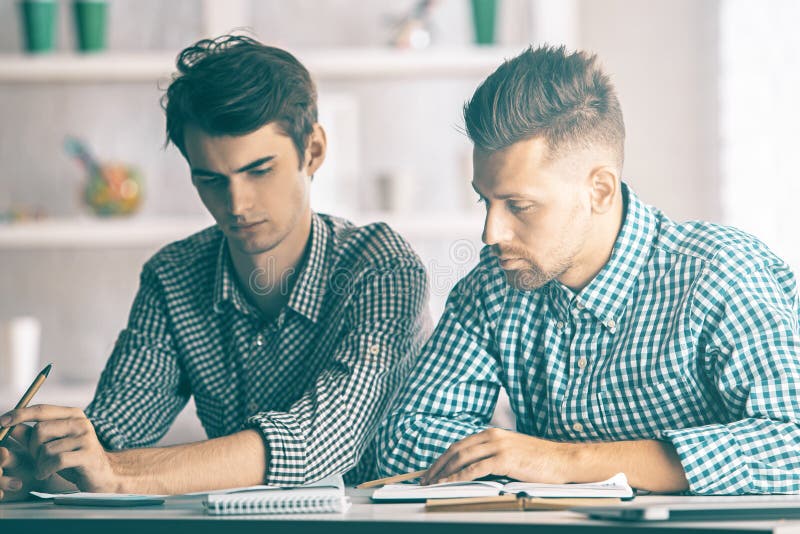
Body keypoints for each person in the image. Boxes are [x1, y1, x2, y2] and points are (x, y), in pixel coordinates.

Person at [0, 35, 429, 500]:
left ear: (314, 152)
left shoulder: (383, 267)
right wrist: (41, 462)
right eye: (210, 179)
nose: (237, 204)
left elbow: (321, 443)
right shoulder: (173, 275)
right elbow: (113, 432)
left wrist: (116, 471)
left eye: (259, 170)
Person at [376, 45, 800, 495]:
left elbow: (791, 445)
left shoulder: (722, 274)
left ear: (599, 190)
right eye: (486, 201)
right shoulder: (493, 286)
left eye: (519, 206)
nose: (491, 232)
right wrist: (521, 460)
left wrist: (564, 461)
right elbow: (405, 440)